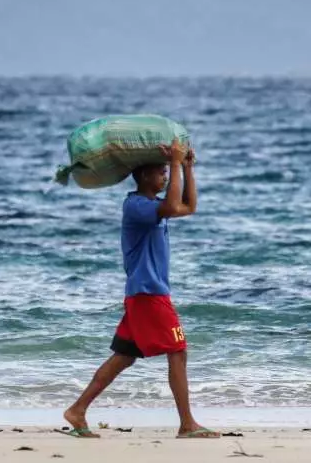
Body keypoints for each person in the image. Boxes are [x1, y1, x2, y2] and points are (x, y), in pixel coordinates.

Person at [61, 139, 218, 439]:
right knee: (178, 351)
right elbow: (173, 204)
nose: (165, 178)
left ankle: (77, 410)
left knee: (125, 356)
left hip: (143, 293)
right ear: (145, 177)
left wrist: (186, 167)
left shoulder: (153, 207)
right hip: (149, 294)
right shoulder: (136, 206)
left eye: (165, 174)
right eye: (161, 173)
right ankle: (187, 424)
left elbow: (189, 206)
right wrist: (174, 161)